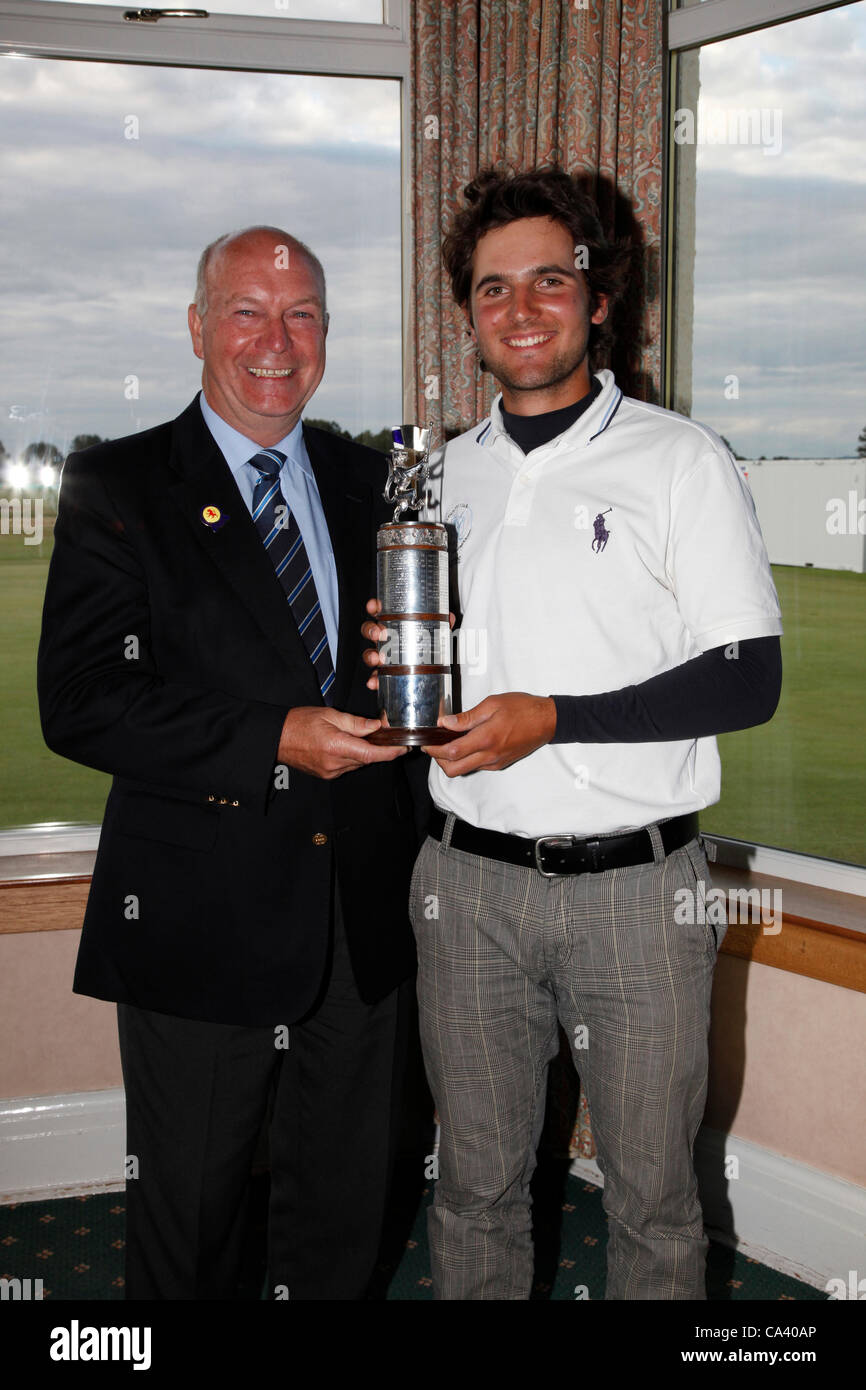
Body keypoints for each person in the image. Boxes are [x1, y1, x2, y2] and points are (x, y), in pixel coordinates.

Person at [364, 168, 783, 1300]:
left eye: (547, 280)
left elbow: (747, 680)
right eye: (492, 289)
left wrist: (553, 721)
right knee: (475, 1190)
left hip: (638, 895)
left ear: (598, 299)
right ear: (469, 316)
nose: (520, 309)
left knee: (652, 1204)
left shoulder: (677, 459)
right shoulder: (436, 476)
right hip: (465, 887)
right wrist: (392, 660)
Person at [38, 225, 423, 1301]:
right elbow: (80, 704)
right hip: (195, 915)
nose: (275, 338)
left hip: (360, 909)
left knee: (346, 1202)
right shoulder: (117, 482)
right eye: (247, 310)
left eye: (300, 314)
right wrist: (274, 740)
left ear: (327, 337)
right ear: (198, 327)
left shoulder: (374, 477)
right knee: (193, 1213)